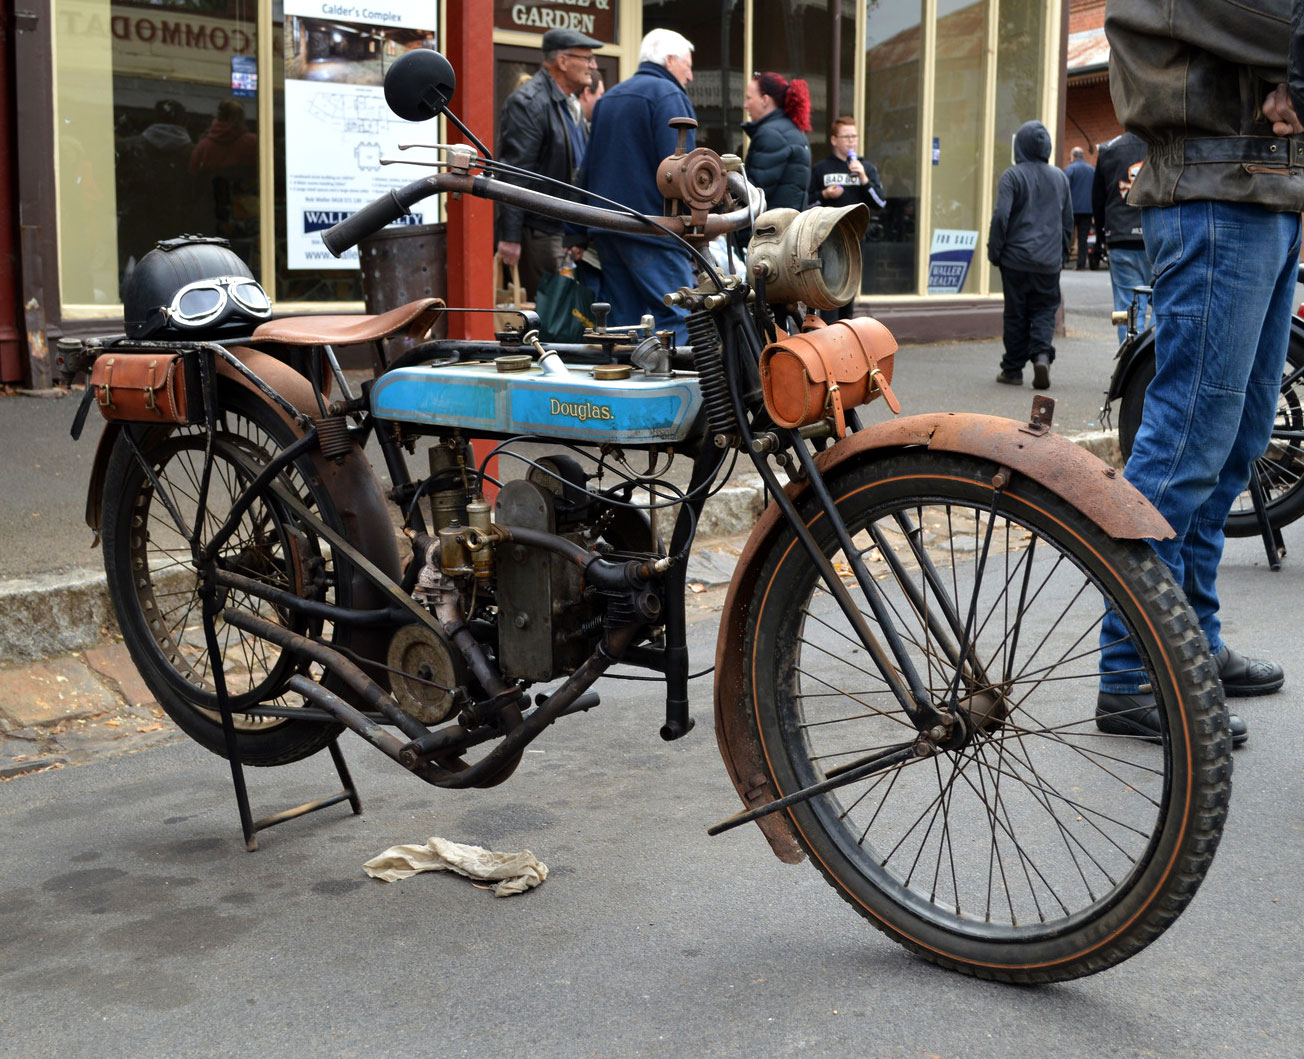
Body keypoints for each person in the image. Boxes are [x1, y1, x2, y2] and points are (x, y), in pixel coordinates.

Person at [1094, 0, 1304, 746]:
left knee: (1239, 440)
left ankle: (1191, 638)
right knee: (1186, 441)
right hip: (1216, 194)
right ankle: (1127, 670)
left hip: (1266, 192)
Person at [582, 28, 698, 343]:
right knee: (677, 314)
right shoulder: (669, 96)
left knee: (623, 322)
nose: (689, 75)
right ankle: (676, 391)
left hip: (606, 227)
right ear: (670, 60)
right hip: (652, 228)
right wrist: (694, 225)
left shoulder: (610, 98)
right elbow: (682, 173)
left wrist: (575, 232)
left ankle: (625, 387)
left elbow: (588, 165)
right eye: (687, 65)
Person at [495, 27, 600, 300]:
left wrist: (578, 234)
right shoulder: (529, 103)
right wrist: (510, 237)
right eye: (586, 58)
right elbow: (514, 174)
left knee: (565, 320)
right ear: (562, 61)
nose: (593, 65)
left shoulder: (568, 104)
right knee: (550, 319)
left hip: (562, 232)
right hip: (541, 233)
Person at [986, 120, 1072, 390]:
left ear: (1019, 146)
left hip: (1016, 260)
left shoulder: (1013, 176)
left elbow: (1001, 216)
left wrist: (995, 250)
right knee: (1045, 310)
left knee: (1016, 314)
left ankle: (1012, 370)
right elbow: (1067, 221)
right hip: (1048, 262)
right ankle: (1042, 356)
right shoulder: (1060, 177)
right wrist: (1063, 254)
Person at [807, 115, 886, 322]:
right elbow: (805, 203)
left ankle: (844, 335)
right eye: (846, 136)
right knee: (829, 292)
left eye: (854, 136)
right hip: (826, 241)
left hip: (854, 240)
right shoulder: (821, 169)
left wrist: (864, 180)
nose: (851, 141)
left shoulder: (866, 168)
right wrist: (824, 195)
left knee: (848, 294)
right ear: (834, 140)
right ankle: (828, 335)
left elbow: (880, 204)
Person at [1091, 131, 1152, 343]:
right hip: (1156, 237)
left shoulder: (1108, 149)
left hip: (1120, 235)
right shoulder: (1162, 141)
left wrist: (1101, 235)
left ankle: (1130, 366)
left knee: (1129, 310)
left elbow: (1098, 199)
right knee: (1163, 306)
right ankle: (1153, 364)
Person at [742, 72, 812, 211]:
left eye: (749, 98)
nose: (745, 105)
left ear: (765, 100)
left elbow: (753, 194)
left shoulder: (771, 134)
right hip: (786, 227)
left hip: (770, 230)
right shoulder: (793, 131)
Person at [1063, 145, 1095, 269]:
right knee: (1083, 239)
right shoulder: (1091, 170)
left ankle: (1063, 261)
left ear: (1073, 156)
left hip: (1072, 209)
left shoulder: (1070, 169)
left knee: (1068, 236)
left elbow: (1064, 189)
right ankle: (1080, 264)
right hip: (1087, 209)